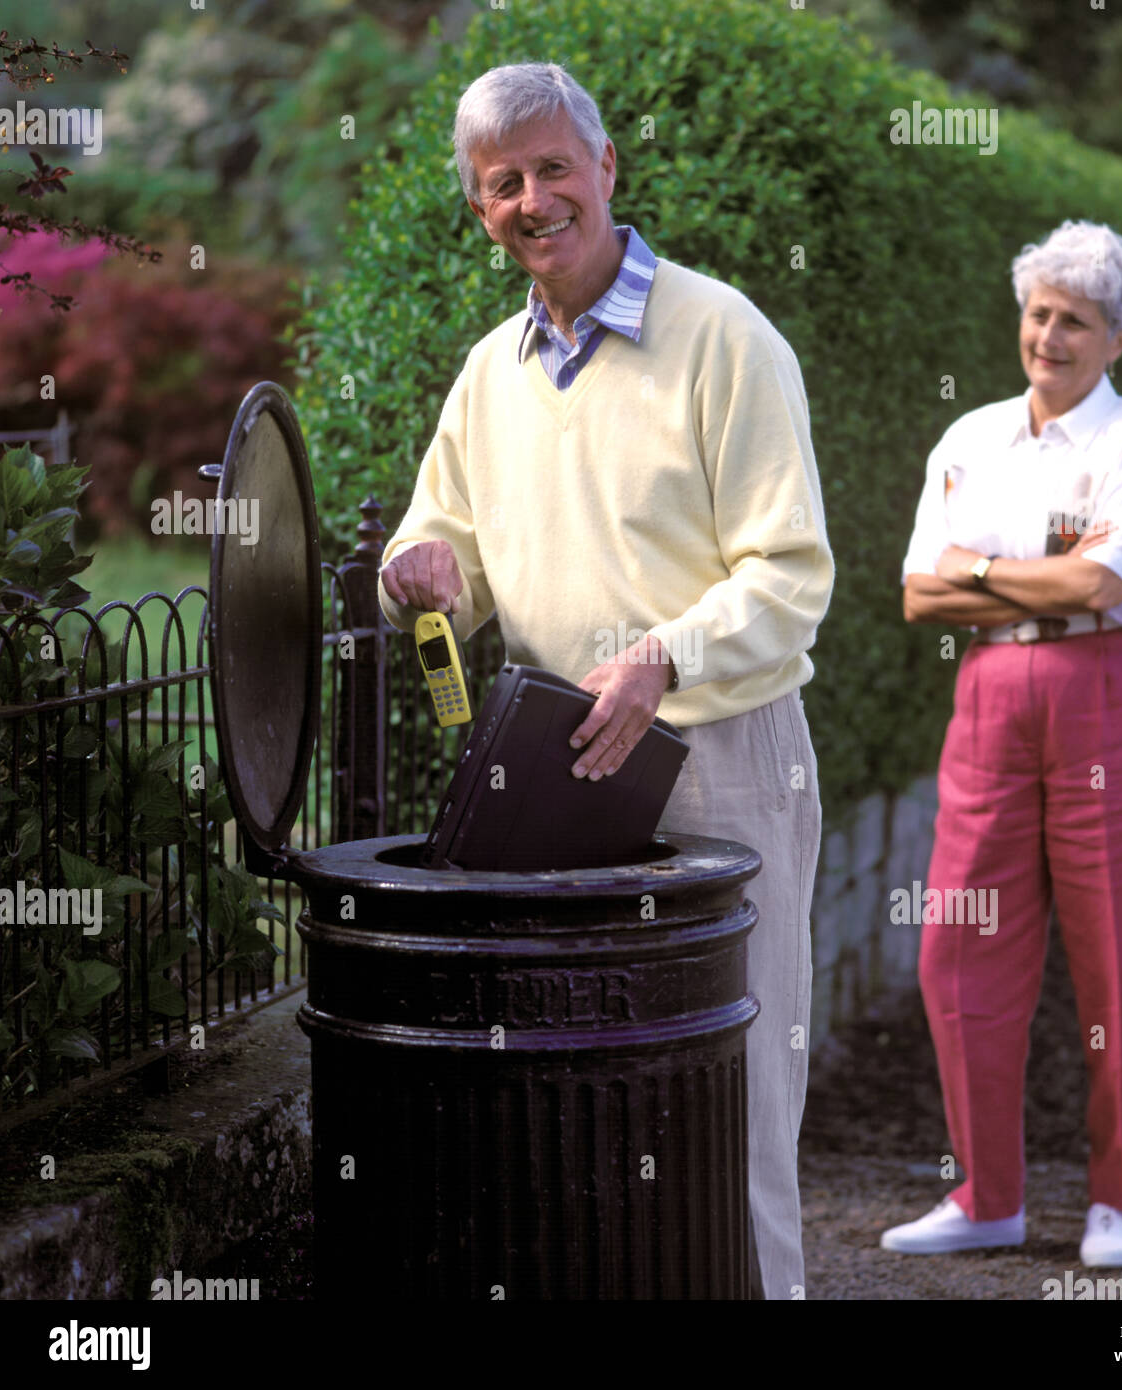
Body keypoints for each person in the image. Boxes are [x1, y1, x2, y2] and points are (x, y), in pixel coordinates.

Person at [377, 62, 834, 1299]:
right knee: (577, 1097)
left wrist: (661, 653)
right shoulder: (489, 372)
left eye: (552, 168)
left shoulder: (725, 336)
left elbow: (791, 573)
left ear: (606, 167)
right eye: (502, 183)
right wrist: (417, 576)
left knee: (736, 1095)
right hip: (559, 782)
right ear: (480, 207)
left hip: (720, 759)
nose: (533, 200)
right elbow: (443, 556)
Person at [885, 220, 1122, 1268]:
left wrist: (978, 569)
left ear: (1119, 338)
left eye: (1076, 321)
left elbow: (1102, 585)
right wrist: (1026, 583)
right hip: (989, 701)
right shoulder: (970, 438)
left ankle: (1120, 1200)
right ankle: (986, 1197)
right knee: (955, 948)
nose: (1049, 337)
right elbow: (917, 593)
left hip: (1118, 699)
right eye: (1038, 313)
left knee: (1116, 957)